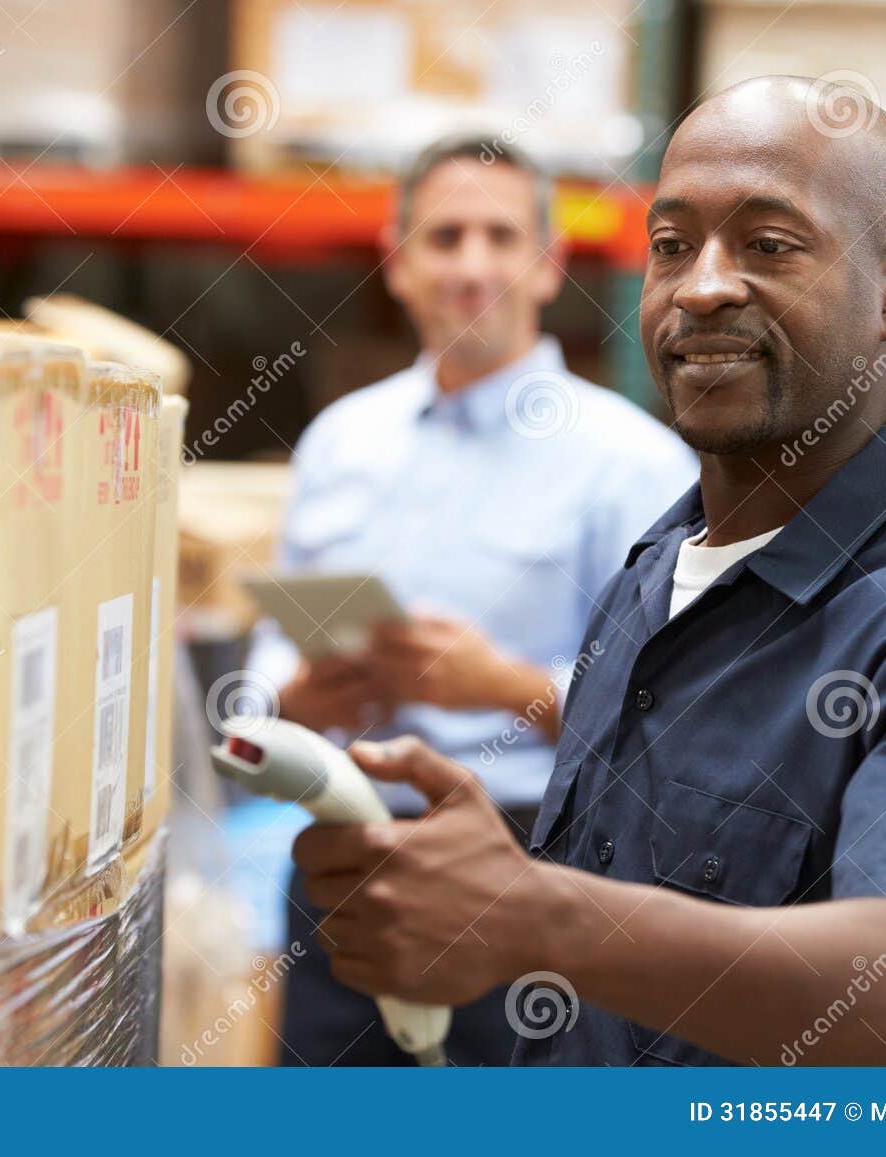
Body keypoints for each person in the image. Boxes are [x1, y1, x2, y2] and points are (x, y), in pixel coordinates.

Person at [289, 76, 886, 1066]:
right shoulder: (650, 578)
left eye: (770, 244)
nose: (702, 286)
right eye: (671, 245)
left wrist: (535, 912)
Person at [247, 134, 698, 1066]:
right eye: (445, 237)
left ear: (550, 262)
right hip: (343, 857)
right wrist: (292, 702)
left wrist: (504, 687)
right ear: (397, 260)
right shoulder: (340, 443)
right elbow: (268, 663)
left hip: (529, 875)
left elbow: (678, 715)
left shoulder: (631, 463)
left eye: (501, 237)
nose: (472, 266)